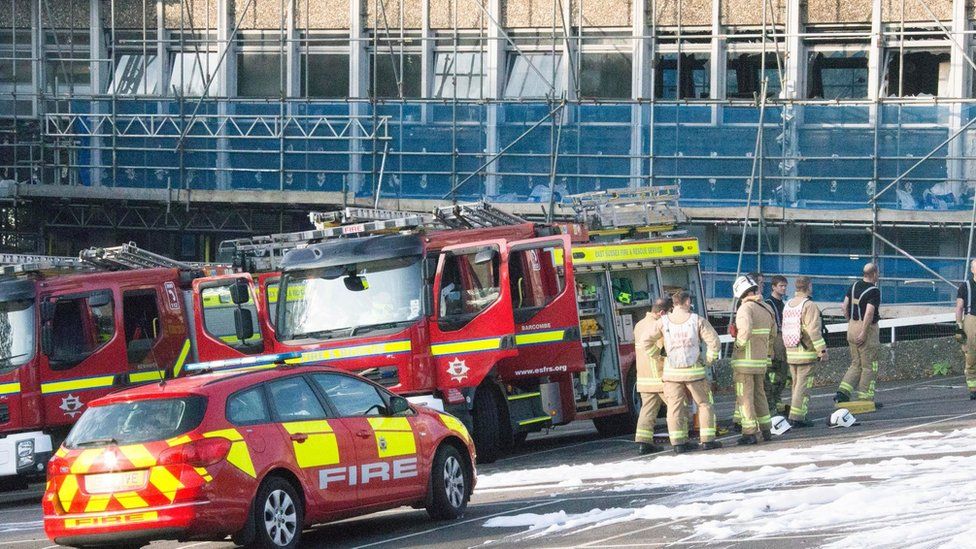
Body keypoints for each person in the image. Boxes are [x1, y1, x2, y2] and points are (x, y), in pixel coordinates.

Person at [645, 291, 722, 454]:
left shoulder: (663, 322)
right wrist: (709, 360)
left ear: (674, 303)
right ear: (687, 302)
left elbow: (646, 341)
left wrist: (657, 355)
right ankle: (707, 440)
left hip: (671, 374)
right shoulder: (697, 320)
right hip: (695, 373)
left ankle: (678, 443)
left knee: (674, 407)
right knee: (704, 404)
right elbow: (714, 342)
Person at [731, 274, 777, 445]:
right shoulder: (766, 308)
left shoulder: (745, 308)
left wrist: (738, 346)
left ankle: (749, 432)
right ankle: (766, 429)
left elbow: (745, 331)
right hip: (760, 361)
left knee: (745, 397)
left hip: (745, 363)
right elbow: (772, 334)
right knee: (760, 395)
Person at [783, 276, 827, 427]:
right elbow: (814, 330)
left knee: (796, 385)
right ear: (809, 286)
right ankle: (797, 417)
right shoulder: (809, 305)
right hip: (806, 352)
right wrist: (822, 350)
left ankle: (794, 414)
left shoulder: (788, 304)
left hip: (791, 352)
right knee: (803, 386)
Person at [633, 297, 673, 455]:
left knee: (647, 410)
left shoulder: (639, 325)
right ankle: (680, 439)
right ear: (662, 312)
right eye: (670, 312)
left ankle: (644, 442)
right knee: (676, 407)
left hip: (644, 377)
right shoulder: (660, 325)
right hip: (660, 375)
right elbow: (665, 351)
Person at [837, 263, 882, 403]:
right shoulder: (874, 291)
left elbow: (844, 306)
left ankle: (843, 392)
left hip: (851, 327)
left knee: (856, 363)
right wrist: (863, 332)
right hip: (866, 329)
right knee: (869, 365)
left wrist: (850, 321)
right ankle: (865, 397)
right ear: (874, 274)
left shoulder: (854, 286)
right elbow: (869, 313)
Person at [764, 275, 790, 413]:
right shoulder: (769, 303)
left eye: (785, 286)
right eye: (781, 286)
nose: (784, 288)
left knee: (783, 373)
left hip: (783, 338)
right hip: (775, 340)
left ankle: (776, 399)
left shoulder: (783, 303)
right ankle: (772, 402)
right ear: (773, 287)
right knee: (776, 372)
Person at [955, 259, 976, 400]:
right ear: (972, 269)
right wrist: (958, 326)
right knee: (971, 355)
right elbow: (959, 307)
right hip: (971, 319)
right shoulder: (965, 286)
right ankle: (973, 389)